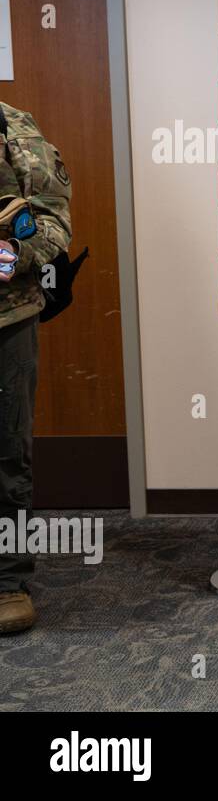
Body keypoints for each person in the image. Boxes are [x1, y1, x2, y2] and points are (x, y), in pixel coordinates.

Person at [0, 102, 73, 635]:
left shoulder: (13, 125)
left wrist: (13, 254)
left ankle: (7, 582)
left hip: (5, 318)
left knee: (7, 454)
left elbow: (52, 220)